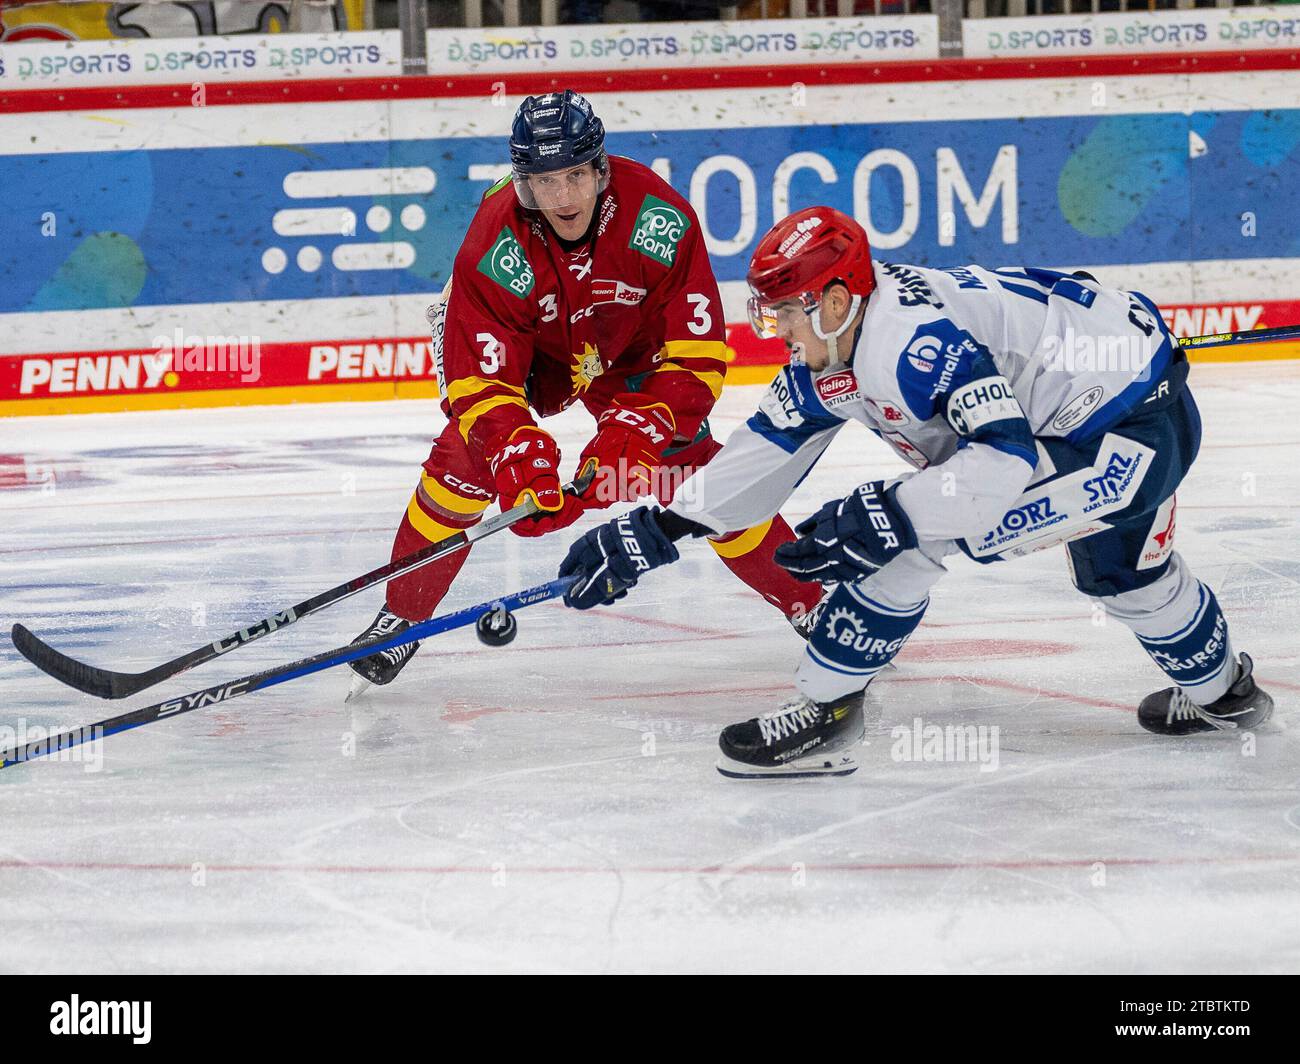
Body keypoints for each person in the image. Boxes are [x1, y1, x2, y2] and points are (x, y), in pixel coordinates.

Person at [557, 206, 1274, 778]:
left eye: (787, 312)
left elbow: (998, 463)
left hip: (1127, 436)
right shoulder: (837, 342)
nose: (775, 330)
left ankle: (826, 714)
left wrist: (886, 511)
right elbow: (767, 450)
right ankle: (1228, 698)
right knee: (1126, 576)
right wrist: (657, 531)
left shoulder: (916, 345)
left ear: (837, 299)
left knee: (912, 541)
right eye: (769, 311)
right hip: (1113, 395)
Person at [346, 91, 820, 698]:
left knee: (694, 477)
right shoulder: (495, 242)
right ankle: (403, 616)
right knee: (465, 461)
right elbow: (479, 381)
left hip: (630, 353)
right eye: (545, 181)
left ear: (600, 169)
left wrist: (639, 429)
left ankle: (812, 603)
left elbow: (698, 355)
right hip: (535, 356)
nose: (564, 197)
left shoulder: (658, 217)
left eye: (575, 175)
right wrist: (514, 451)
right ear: (524, 185)